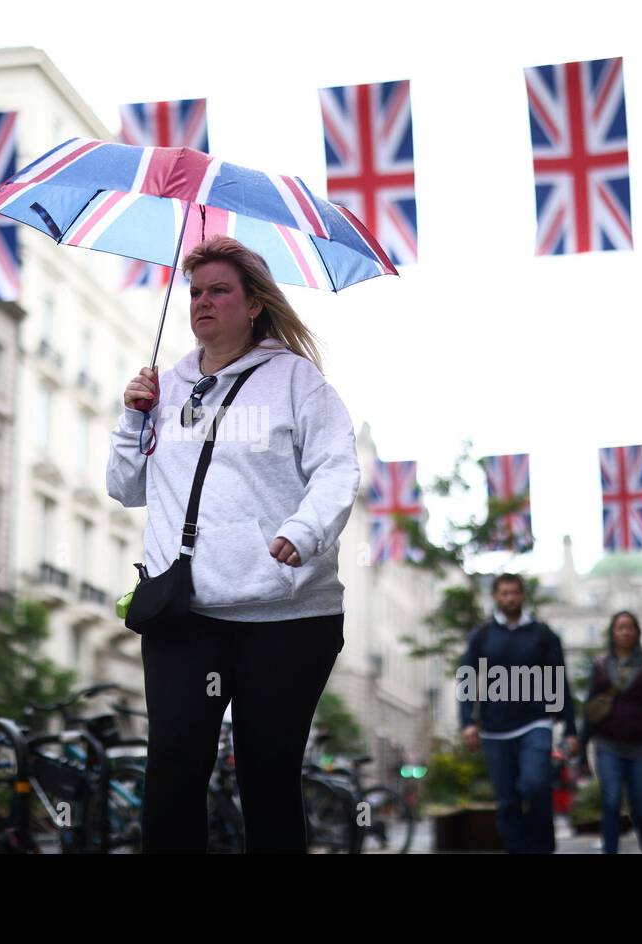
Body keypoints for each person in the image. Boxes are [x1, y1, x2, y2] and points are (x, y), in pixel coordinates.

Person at [107, 236, 360, 853]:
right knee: (172, 771)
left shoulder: (296, 381)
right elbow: (124, 487)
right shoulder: (164, 386)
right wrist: (133, 418)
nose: (202, 302)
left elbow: (336, 468)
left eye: (219, 290)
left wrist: (302, 531)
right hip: (184, 610)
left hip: (286, 616)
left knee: (267, 779)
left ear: (253, 305)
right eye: (195, 291)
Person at [459, 574, 577, 854]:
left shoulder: (543, 634)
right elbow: (467, 678)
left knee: (535, 785)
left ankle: (542, 848)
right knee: (507, 801)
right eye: (504, 593)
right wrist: (467, 722)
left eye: (514, 593)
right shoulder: (483, 635)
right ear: (496, 597)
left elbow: (559, 680)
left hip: (535, 723)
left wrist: (570, 728)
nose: (510, 598)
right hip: (493, 728)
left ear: (522, 595)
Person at [578, 610, 642, 854]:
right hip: (607, 743)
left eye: (629, 627)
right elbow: (591, 707)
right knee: (611, 802)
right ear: (612, 633)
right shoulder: (601, 664)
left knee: (640, 808)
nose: (625, 632)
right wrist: (581, 746)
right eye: (620, 627)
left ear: (637, 632)